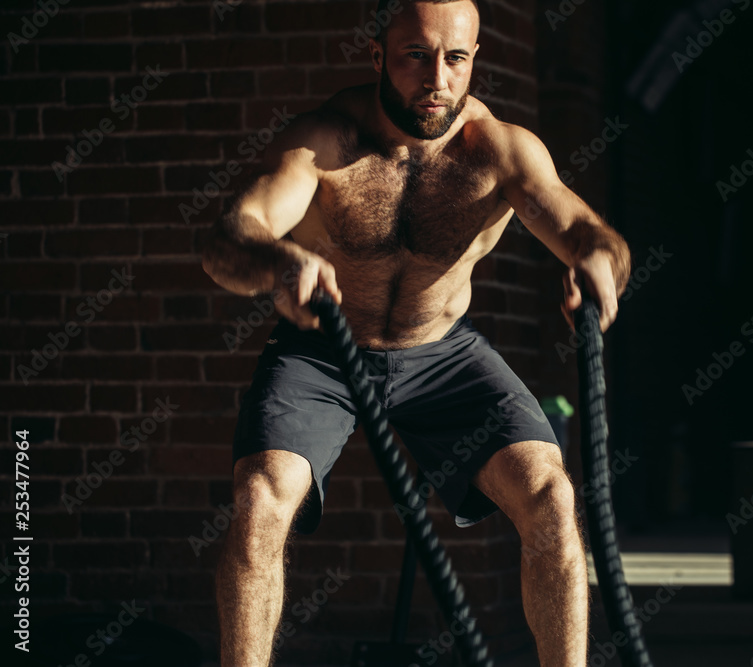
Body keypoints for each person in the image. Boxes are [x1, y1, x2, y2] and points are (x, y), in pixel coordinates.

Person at [200, 0, 631, 665]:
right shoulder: (324, 143)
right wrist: (277, 260)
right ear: (377, 56)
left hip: (443, 354)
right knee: (259, 499)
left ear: (474, 60)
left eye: (456, 58)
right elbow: (231, 237)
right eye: (415, 56)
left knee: (551, 493)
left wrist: (601, 262)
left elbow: (585, 231)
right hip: (322, 353)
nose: (437, 79)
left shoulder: (500, 151)